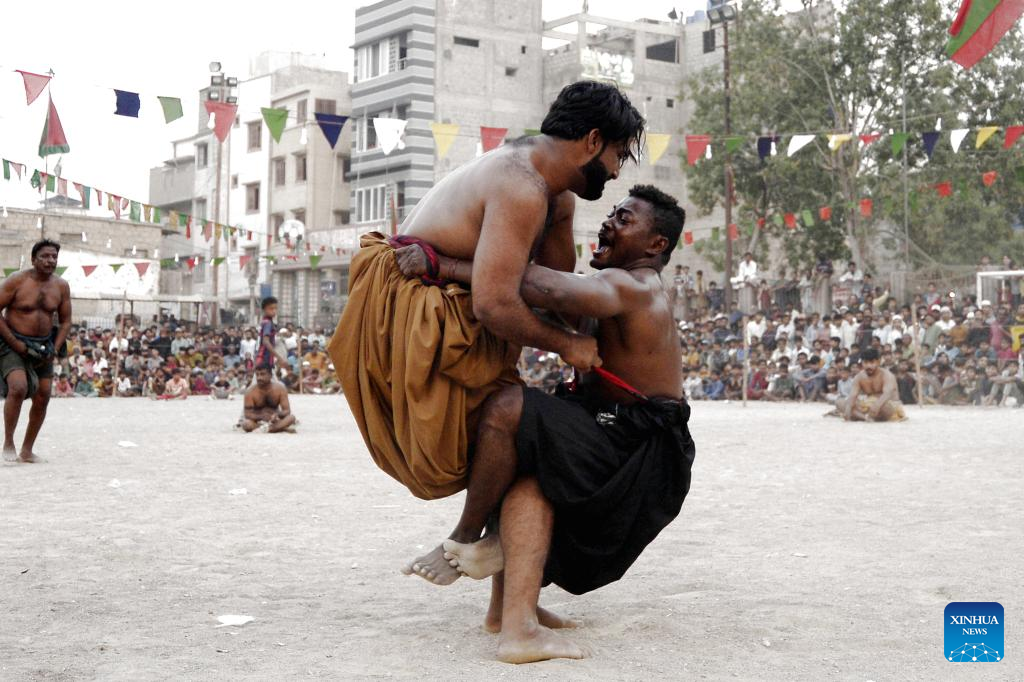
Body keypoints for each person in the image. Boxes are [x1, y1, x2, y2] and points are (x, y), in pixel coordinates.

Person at [395, 184, 694, 664]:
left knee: (510, 410)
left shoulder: (635, 287)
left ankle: (467, 539)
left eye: (624, 218)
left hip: (641, 446)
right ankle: (510, 615)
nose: (609, 223)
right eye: (612, 213)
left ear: (656, 245)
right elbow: (551, 287)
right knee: (525, 458)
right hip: (606, 423)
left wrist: (444, 266)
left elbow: (545, 286)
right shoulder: (608, 289)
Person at [328, 81, 642, 500]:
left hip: (451, 297)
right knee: (515, 432)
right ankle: (467, 542)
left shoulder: (555, 197)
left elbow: (550, 289)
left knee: (526, 436)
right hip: (415, 307)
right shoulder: (521, 185)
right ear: (592, 141)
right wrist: (565, 345)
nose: (617, 172)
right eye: (617, 156)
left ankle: (486, 547)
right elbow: (495, 303)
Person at [0, 240, 72, 463]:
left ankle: (27, 450)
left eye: (54, 257)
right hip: (13, 342)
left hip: (44, 345)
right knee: (19, 387)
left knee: (43, 395)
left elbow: (66, 320)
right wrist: (14, 342)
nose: (50, 261)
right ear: (33, 259)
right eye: (45, 256)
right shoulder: (16, 281)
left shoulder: (61, 286)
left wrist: (56, 346)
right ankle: (9, 442)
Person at [835, 348, 906, 421]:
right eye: (865, 362)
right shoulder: (859, 377)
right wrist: (848, 408)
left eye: (872, 362)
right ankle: (865, 417)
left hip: (887, 404)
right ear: (862, 363)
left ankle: (859, 415)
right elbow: (853, 395)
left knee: (886, 408)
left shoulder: (887, 375)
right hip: (868, 406)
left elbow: (887, 394)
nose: (868, 366)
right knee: (840, 402)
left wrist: (877, 405)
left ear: (878, 362)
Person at [239, 365, 297, 433]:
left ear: (270, 375)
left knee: (291, 418)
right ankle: (280, 429)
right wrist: (261, 416)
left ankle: (268, 428)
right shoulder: (250, 391)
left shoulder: (280, 389)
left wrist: (277, 414)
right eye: (257, 375)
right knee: (246, 424)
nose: (259, 377)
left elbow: (287, 411)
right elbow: (247, 414)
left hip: (275, 419)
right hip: (257, 421)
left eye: (262, 374)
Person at [255, 297, 289, 374]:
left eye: (275, 308)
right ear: (264, 310)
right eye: (271, 308)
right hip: (264, 358)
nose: (274, 311)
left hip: (264, 357)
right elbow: (266, 342)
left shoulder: (265, 322)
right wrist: (280, 358)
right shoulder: (268, 323)